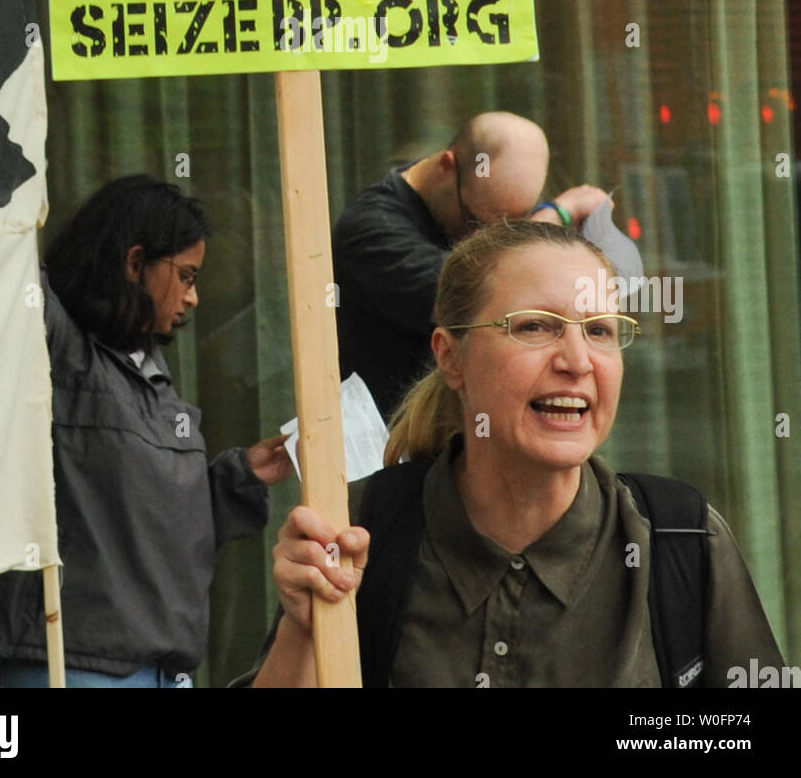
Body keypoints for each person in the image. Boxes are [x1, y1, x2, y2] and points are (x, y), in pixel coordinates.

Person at [250, 221, 785, 688]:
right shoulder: (364, 534)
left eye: (599, 330)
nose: (577, 361)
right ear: (451, 358)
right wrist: (302, 629)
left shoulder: (680, 538)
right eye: (534, 326)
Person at [0, 174, 292, 688]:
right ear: (134, 262)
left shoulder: (148, 370)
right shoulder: (59, 346)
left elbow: (141, 520)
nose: (194, 298)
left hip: (160, 668)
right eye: (186, 276)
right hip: (70, 661)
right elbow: (2, 266)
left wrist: (240, 476)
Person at [334, 111, 612, 416]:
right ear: (446, 166)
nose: (488, 236)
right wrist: (555, 215)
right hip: (393, 435)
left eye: (514, 222)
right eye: (479, 222)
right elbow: (482, 293)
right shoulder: (370, 230)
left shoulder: (469, 191)